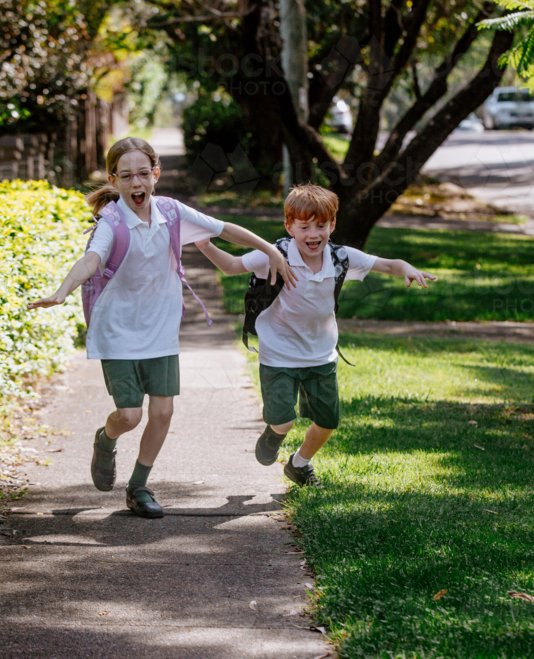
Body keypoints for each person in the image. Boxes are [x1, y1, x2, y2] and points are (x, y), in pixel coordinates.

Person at [28, 137, 297, 518]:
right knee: (129, 416)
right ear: (114, 180)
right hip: (117, 331)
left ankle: (139, 486)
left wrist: (271, 250)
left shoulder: (171, 213)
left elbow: (225, 229)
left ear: (155, 175)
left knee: (163, 413)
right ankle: (106, 440)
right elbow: (90, 260)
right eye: (126, 176)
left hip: (160, 330)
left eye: (142, 174)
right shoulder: (112, 222)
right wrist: (61, 292)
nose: (136, 183)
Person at [194, 183, 435, 487]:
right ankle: (274, 434)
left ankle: (299, 463)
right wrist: (205, 245)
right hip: (278, 354)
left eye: (321, 225)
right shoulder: (274, 254)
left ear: (332, 224)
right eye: (304, 226)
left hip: (321, 355)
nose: (313, 234)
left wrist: (406, 268)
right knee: (283, 420)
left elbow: (386, 263)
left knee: (327, 422)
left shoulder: (340, 258)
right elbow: (230, 266)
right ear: (289, 226)